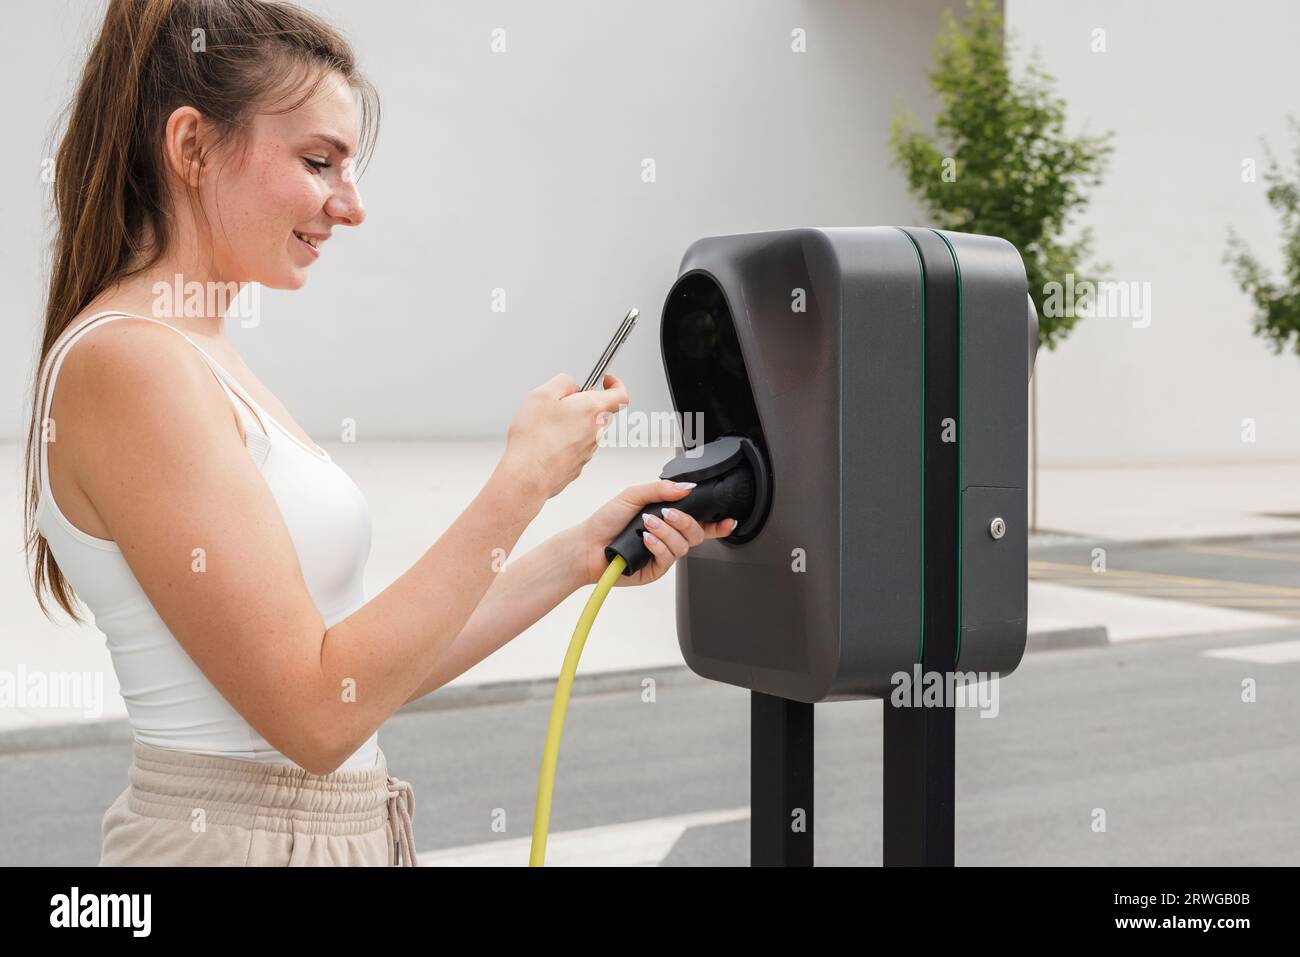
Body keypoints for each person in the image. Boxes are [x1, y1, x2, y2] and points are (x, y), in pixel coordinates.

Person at [22, 0, 736, 867]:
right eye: (317, 161)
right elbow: (319, 715)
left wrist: (577, 551)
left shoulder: (197, 353)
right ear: (192, 146)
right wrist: (520, 483)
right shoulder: (133, 363)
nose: (350, 206)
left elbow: (361, 676)